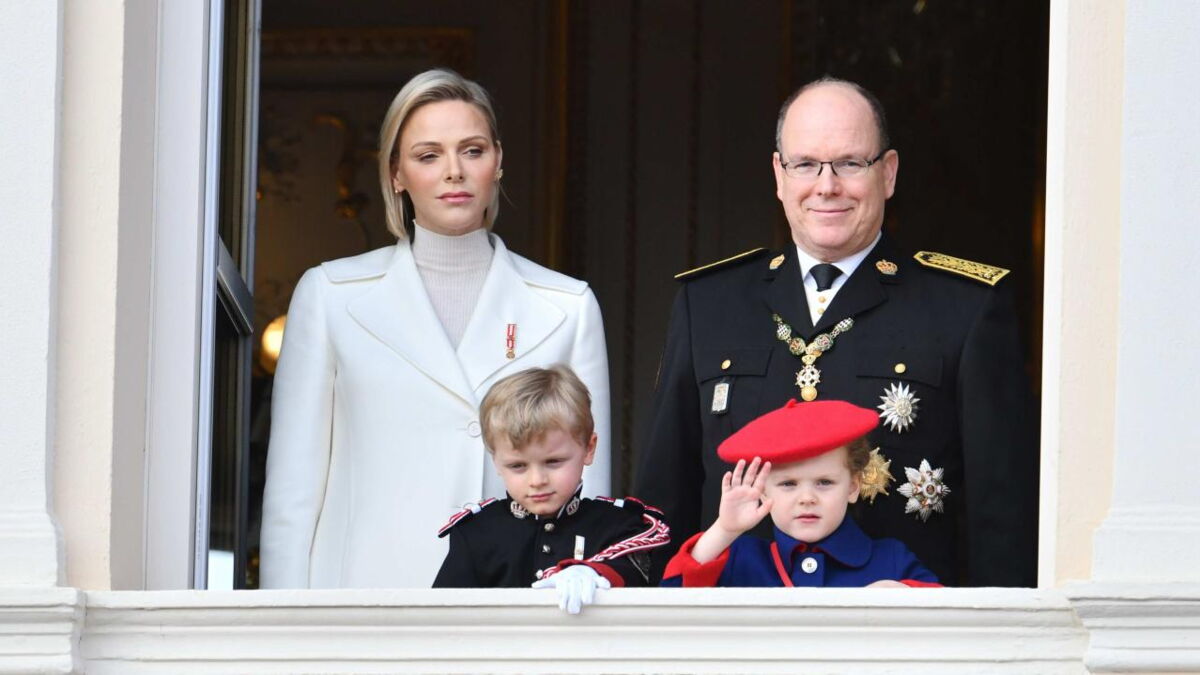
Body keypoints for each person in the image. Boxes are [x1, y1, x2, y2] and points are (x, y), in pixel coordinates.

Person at [636, 76, 1038, 587]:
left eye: (850, 163)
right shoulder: (708, 303)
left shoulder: (966, 307)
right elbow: (662, 497)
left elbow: (1001, 513)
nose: (826, 186)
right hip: (738, 639)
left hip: (903, 645)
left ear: (887, 174)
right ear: (779, 175)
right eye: (805, 164)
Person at [260, 70, 611, 589]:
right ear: (396, 173)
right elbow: (294, 490)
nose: (453, 171)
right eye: (428, 155)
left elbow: (590, 491)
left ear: (498, 161)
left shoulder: (568, 305)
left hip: (514, 611)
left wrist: (585, 589)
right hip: (364, 605)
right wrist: (283, 636)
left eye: (471, 150)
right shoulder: (331, 294)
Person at [433, 366, 669, 613]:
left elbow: (641, 583)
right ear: (496, 462)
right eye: (518, 466)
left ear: (589, 448)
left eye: (553, 462)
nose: (537, 480)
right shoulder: (476, 533)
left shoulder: (620, 525)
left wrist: (595, 571)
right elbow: (444, 619)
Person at [663, 399, 939, 588]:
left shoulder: (890, 559)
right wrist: (724, 529)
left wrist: (901, 595)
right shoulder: (739, 557)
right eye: (788, 484)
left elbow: (946, 622)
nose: (807, 498)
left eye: (824, 482)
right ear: (762, 491)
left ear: (853, 487)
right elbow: (671, 601)